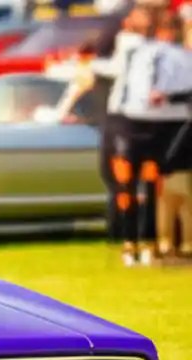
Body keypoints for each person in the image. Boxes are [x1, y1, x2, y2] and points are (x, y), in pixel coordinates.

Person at [115, 7, 190, 265]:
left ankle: (149, 244)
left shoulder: (179, 56)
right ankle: (131, 244)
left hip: (156, 124)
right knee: (130, 187)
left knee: (150, 187)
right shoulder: (135, 49)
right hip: (134, 121)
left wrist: (168, 97)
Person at [89, 4, 154, 256]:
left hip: (125, 119)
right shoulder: (137, 42)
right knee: (133, 182)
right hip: (136, 118)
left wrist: (91, 65)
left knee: (124, 181)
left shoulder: (131, 43)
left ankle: (129, 237)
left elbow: (117, 69)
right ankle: (137, 237)